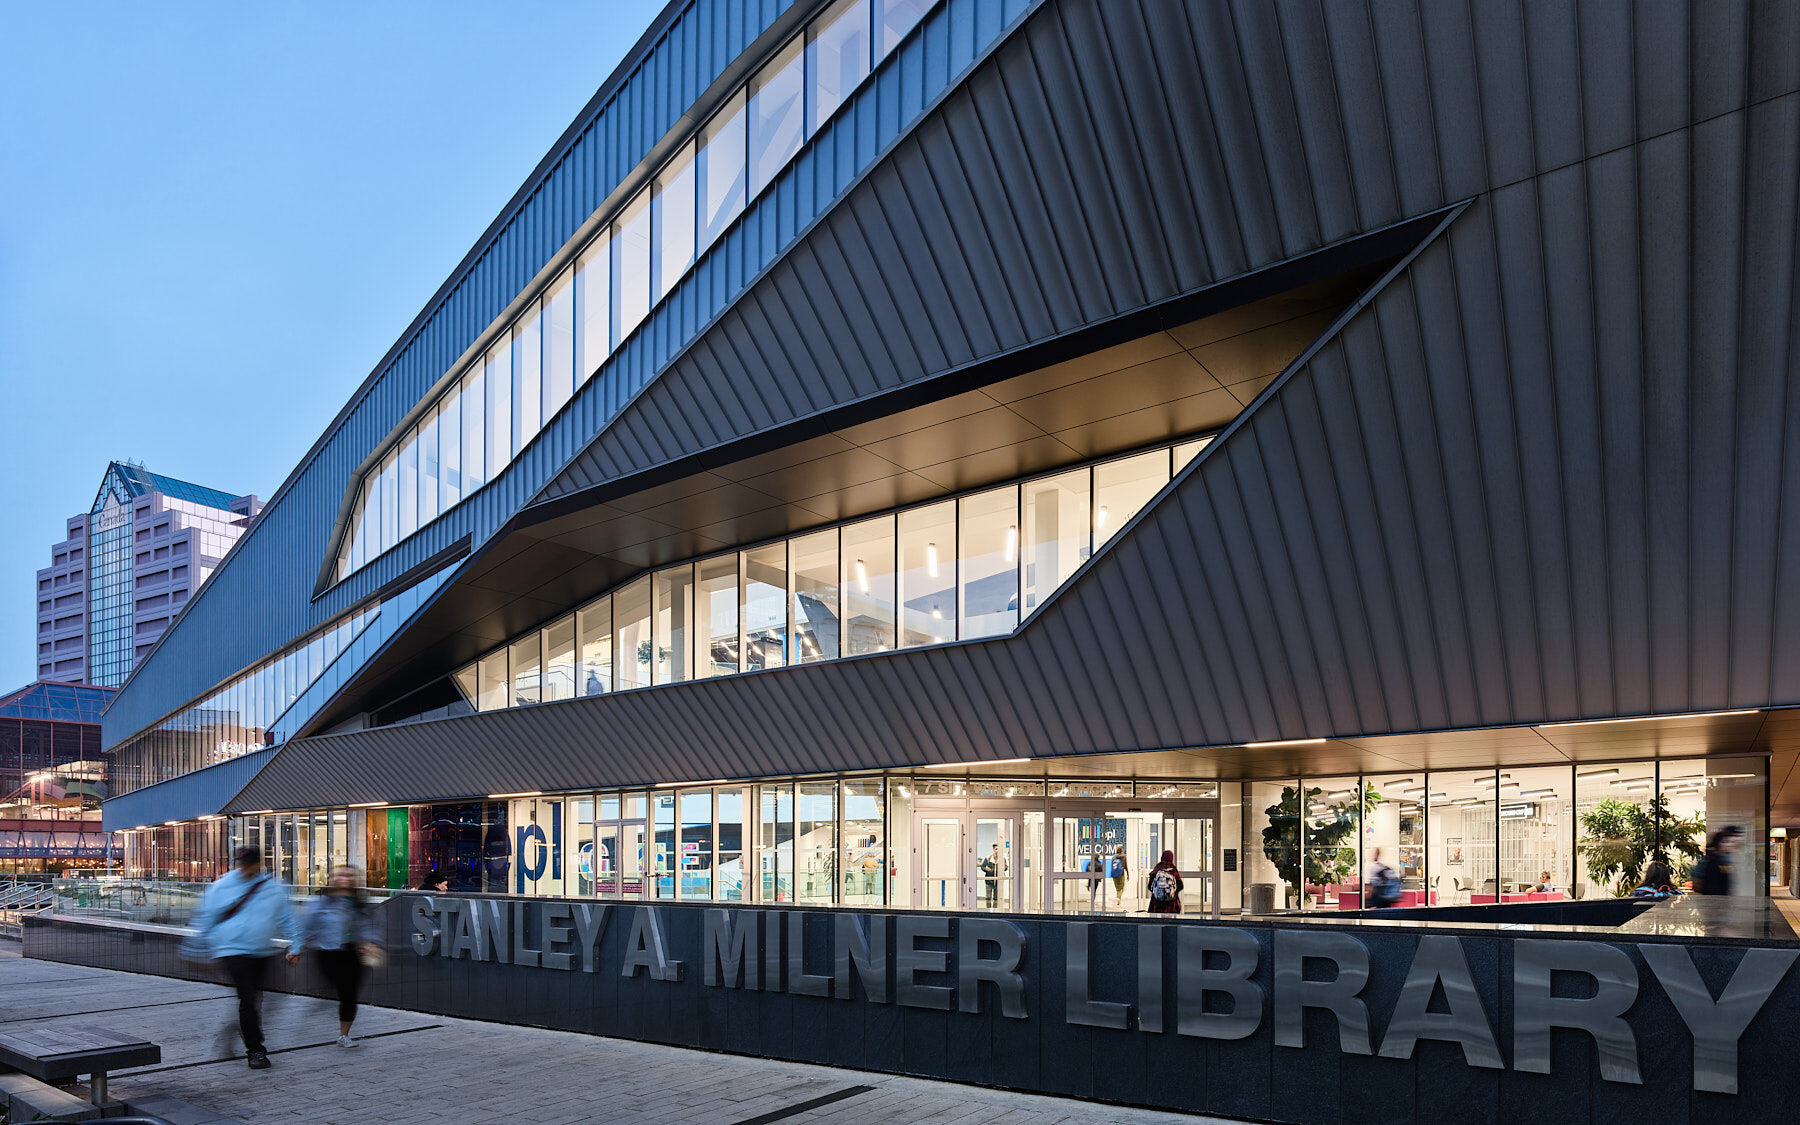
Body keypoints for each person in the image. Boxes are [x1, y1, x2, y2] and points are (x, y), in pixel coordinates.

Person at [190, 847, 300, 1070]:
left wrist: (296, 945)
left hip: (261, 951)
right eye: (243, 863)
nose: (246, 867)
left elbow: (287, 918)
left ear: (259, 864)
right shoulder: (222, 886)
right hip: (231, 950)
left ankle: (236, 1032)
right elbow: (206, 917)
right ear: (238, 863)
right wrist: (195, 949)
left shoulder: (273, 888)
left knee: (257, 999)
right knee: (248, 998)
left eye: (250, 863)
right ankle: (256, 1051)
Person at [305, 866, 382, 1047]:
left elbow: (372, 924)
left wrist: (371, 942)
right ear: (332, 879)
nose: (345, 879)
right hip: (328, 952)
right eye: (340, 875)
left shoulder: (359, 903)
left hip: (353, 953)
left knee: (350, 995)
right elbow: (308, 925)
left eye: (349, 875)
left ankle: (344, 1035)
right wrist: (297, 948)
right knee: (338, 987)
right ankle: (328, 1001)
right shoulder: (323, 902)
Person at [1691, 826, 1744, 895]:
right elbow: (1698, 880)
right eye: (1725, 842)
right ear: (1718, 844)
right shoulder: (1710, 860)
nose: (1729, 845)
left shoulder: (1725, 859)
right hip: (1712, 900)